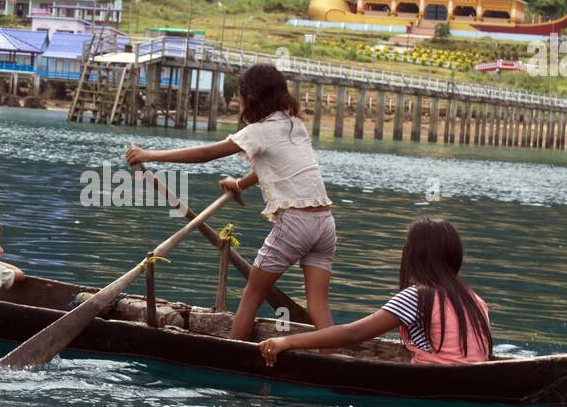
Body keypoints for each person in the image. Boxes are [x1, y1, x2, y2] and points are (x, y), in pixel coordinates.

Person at [125, 63, 334, 341]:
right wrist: (238, 185)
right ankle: (337, 355)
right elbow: (272, 166)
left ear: (251, 99)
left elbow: (205, 154)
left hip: (296, 224)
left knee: (251, 295)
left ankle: (235, 352)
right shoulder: (294, 126)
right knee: (318, 304)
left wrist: (149, 155)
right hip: (324, 225)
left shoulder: (258, 131)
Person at [258, 217, 492, 366]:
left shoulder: (418, 296)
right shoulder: (475, 300)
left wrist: (287, 341)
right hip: (470, 376)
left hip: (435, 378)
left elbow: (352, 334)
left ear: (412, 256)